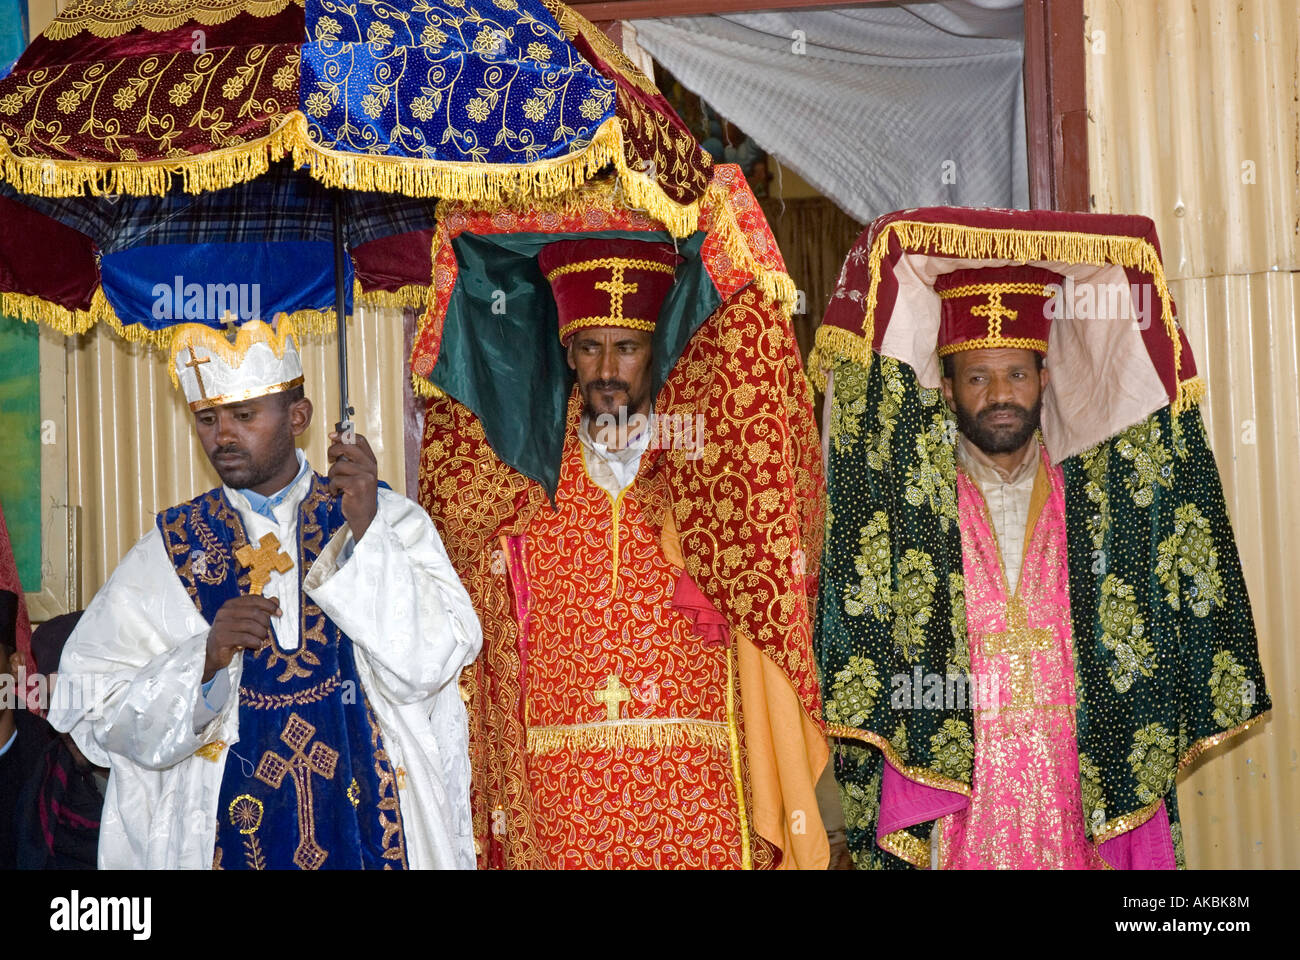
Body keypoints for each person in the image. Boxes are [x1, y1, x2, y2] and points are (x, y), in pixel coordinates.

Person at [812, 209, 1270, 869]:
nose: (1000, 394)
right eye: (978, 377)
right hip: (964, 797)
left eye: (1017, 374)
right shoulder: (919, 513)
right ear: (947, 389)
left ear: (1044, 379)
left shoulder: (1094, 505)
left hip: (1070, 790)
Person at [418, 209, 829, 870]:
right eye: (590, 347)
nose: (607, 368)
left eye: (628, 347)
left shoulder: (707, 475)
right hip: (561, 799)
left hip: (702, 787)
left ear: (656, 351)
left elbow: (785, 522)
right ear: (566, 351)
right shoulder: (522, 480)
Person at [49, 318, 482, 869]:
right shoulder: (171, 550)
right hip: (227, 833)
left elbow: (438, 661)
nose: (221, 435)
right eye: (207, 418)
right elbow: (89, 704)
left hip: (371, 823)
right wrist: (202, 663)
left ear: (297, 417)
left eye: (243, 415)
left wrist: (370, 537)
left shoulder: (380, 516)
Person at [15, 611, 104, 870]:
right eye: (55, 704)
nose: (66, 722)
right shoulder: (38, 783)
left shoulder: (159, 782)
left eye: (78, 702)